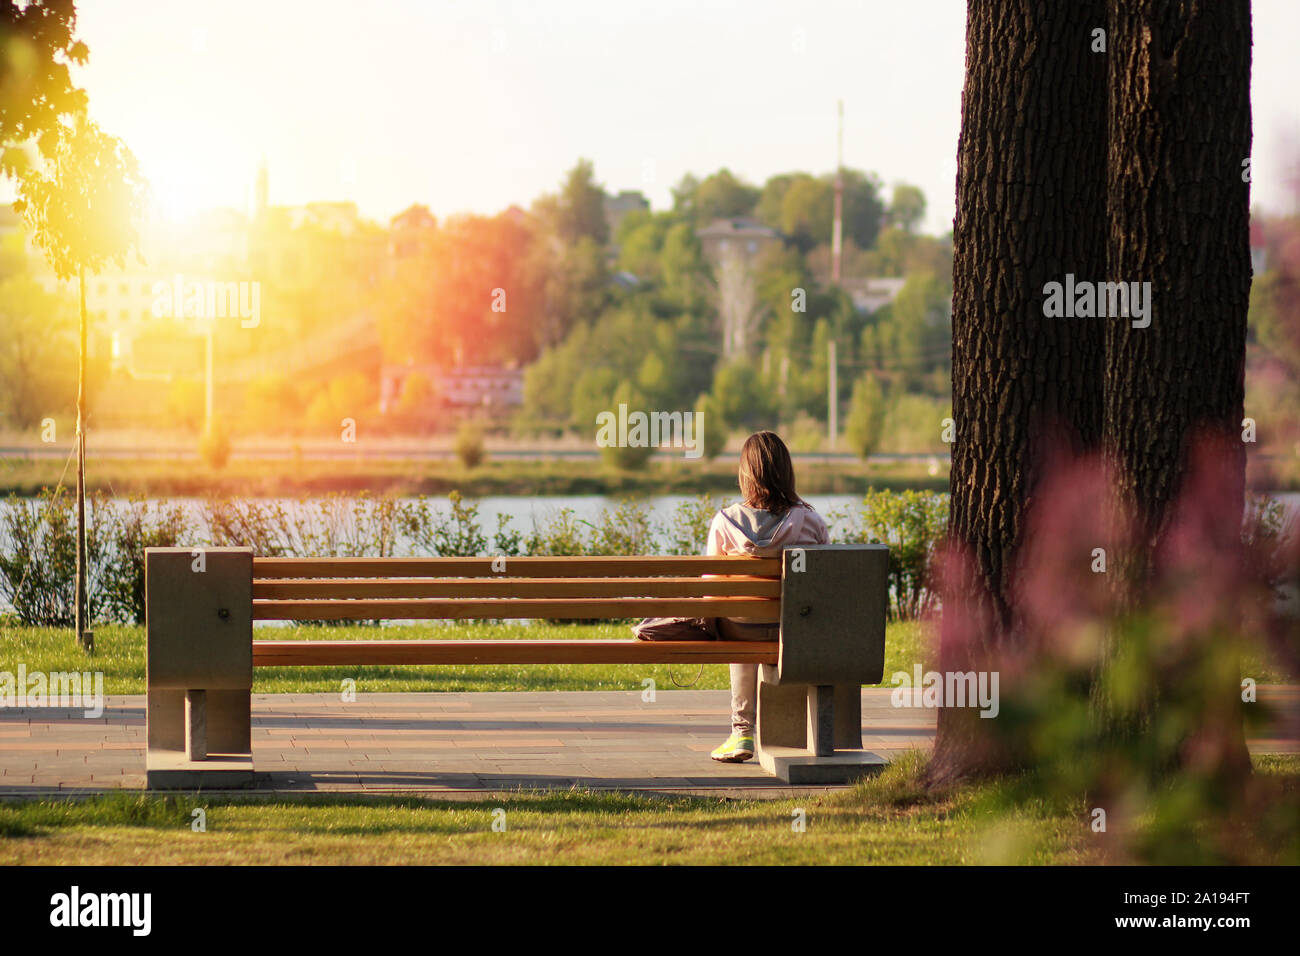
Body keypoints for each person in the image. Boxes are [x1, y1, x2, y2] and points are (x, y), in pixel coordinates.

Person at [632, 430, 829, 762]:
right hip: (793, 631)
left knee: (739, 616)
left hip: (739, 628)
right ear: (786, 470)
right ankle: (784, 732)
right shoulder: (810, 521)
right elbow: (824, 582)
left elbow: (712, 591)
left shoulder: (725, 522)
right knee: (770, 620)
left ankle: (742, 733)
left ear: (746, 474)